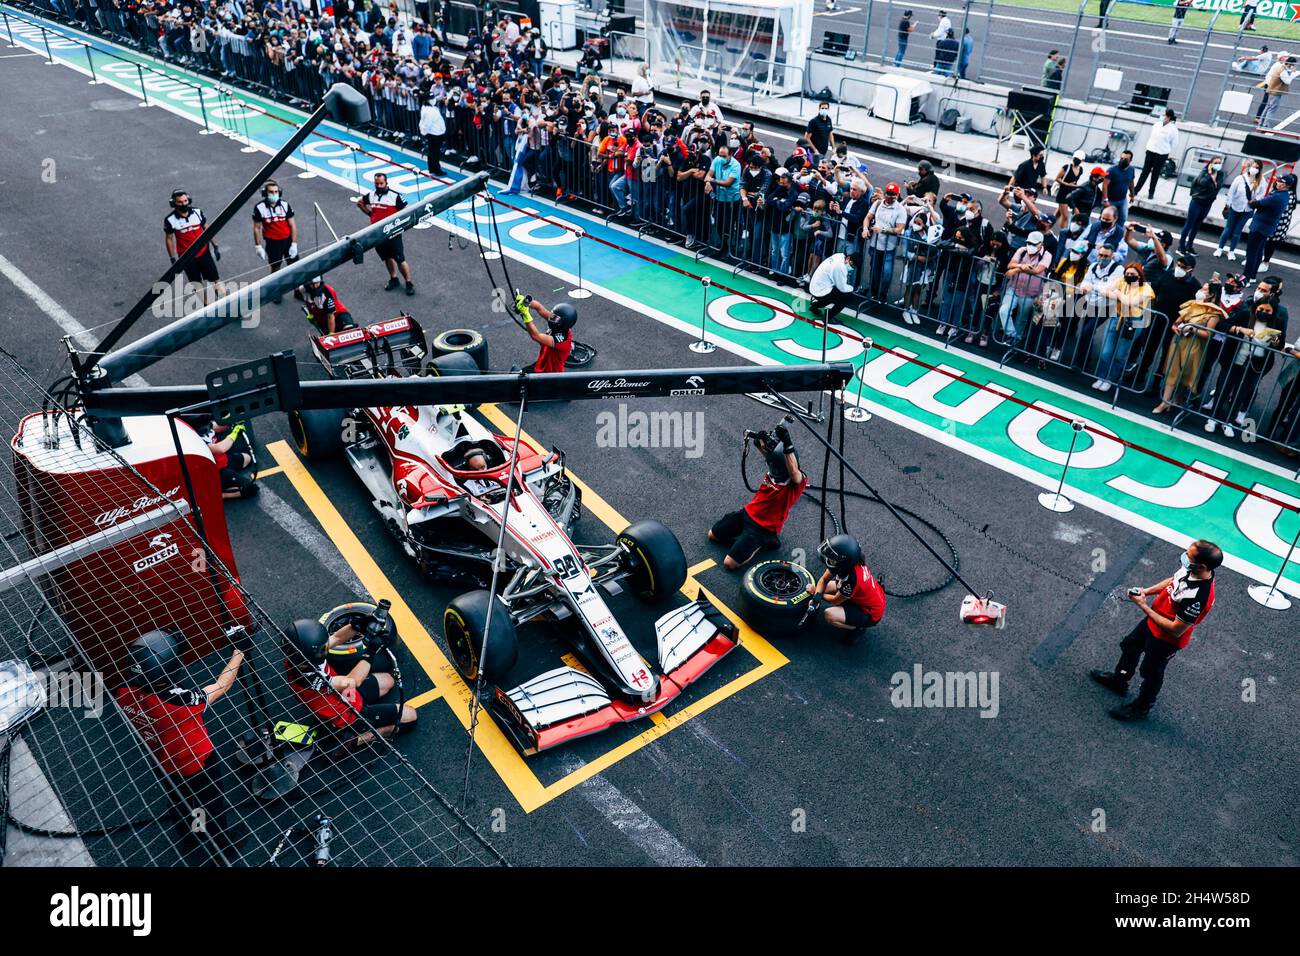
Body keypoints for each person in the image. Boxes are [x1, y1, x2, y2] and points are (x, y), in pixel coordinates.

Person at [116, 628, 251, 863]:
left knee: (179, 800)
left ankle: (189, 837)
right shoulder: (177, 703)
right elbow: (221, 686)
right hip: (196, 764)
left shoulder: (123, 692)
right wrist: (239, 652)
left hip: (162, 762)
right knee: (211, 804)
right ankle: (220, 846)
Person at [1090, 541, 1222, 721]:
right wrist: (1146, 591)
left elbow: (1176, 630)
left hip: (1166, 639)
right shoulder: (1190, 570)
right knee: (1130, 646)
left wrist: (1143, 606)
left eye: (1188, 555)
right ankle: (1119, 681)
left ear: (1202, 566)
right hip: (1153, 620)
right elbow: (1172, 581)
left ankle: (1142, 707)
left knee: (1151, 672)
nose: (1184, 556)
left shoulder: (1198, 597)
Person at [284, 607, 417, 747]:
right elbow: (353, 681)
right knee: (411, 716)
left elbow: (336, 638)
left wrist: (357, 625)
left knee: (388, 680)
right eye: (323, 647)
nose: (326, 646)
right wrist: (371, 650)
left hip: (343, 694)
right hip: (346, 715)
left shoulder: (299, 656)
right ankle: (358, 739)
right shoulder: (310, 678)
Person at [708, 422, 806, 571]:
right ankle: (745, 538)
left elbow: (793, 471)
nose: (772, 468)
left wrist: (787, 442)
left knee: (729, 564)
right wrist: (759, 444)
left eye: (777, 466)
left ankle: (763, 541)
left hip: (762, 528)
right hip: (747, 513)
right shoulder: (775, 469)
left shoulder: (796, 481)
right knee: (712, 535)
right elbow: (770, 458)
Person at [1154, 286, 1227, 414]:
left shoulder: (1214, 313)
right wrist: (1175, 327)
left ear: (1212, 295)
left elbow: (1208, 334)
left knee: (1186, 374)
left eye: (1204, 290)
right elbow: (1176, 322)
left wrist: (1191, 329)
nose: (1200, 292)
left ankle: (1177, 400)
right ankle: (1165, 402)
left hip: (1195, 345)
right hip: (1178, 342)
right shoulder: (1192, 305)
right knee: (1172, 370)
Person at [808, 533, 886, 643]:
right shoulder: (847, 563)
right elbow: (824, 580)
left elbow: (835, 600)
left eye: (833, 559)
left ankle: (857, 628)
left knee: (829, 615)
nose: (830, 560)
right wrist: (817, 594)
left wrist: (817, 595)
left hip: (870, 612)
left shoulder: (852, 580)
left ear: (844, 561)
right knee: (827, 586)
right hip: (864, 595)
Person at [1092, 260, 1154, 392]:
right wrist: (1119, 295)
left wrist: (1118, 294)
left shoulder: (1147, 289)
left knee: (1120, 354)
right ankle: (1101, 377)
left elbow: (1131, 302)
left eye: (1132, 273)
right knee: (1106, 351)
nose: (1128, 275)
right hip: (1116, 317)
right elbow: (1104, 290)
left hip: (1134, 322)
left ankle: (1111, 379)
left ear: (1139, 275)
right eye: (1127, 273)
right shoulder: (1121, 281)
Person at [357, 172, 415, 295]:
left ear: (386, 183)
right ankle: (394, 279)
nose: (379, 186)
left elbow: (407, 210)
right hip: (377, 234)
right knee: (387, 257)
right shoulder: (371, 195)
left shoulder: (395, 196)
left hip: (393, 233)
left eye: (381, 183)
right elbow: (360, 202)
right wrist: (370, 214)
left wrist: (399, 224)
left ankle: (409, 282)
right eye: (376, 183)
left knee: (400, 259)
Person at [163, 189, 223, 304]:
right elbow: (169, 239)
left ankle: (225, 303)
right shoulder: (170, 220)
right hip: (186, 257)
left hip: (203, 252)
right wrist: (172, 258)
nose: (184, 204)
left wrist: (215, 245)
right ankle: (208, 308)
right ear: (174, 203)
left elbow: (207, 229)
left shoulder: (197, 212)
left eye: (185, 201)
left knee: (215, 280)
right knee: (197, 284)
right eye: (180, 202)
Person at [251, 180, 297, 300]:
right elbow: (257, 228)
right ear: (265, 193)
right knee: (276, 269)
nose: (274, 194)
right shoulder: (259, 208)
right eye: (271, 192)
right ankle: (276, 291)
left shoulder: (285, 205)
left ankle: (298, 290)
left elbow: (292, 225)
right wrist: (258, 246)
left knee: (295, 266)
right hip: (272, 243)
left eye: (276, 192)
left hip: (287, 241)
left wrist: (294, 243)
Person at [1243, 173, 1294, 281]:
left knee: (1251, 253)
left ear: (1286, 185)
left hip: (1260, 227)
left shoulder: (1277, 197)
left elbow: (1256, 204)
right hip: (1266, 227)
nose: (1277, 182)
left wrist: (1251, 201)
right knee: (1258, 252)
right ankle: (1252, 276)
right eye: (1278, 180)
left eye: (1280, 182)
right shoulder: (1284, 195)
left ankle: (1246, 278)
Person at [864, 183, 909, 302]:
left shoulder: (900, 210)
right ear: (885, 193)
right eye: (888, 194)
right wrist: (865, 229)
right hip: (874, 244)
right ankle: (873, 292)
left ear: (898, 195)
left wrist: (883, 230)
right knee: (874, 270)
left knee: (887, 273)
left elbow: (899, 229)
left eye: (893, 195)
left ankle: (883, 294)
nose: (890, 197)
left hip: (889, 247)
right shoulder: (878, 203)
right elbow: (868, 217)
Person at [514, 293, 577, 372]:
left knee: (517, 379)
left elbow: (536, 336)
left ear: (562, 322)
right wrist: (526, 302)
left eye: (554, 317)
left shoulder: (562, 340)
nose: (551, 317)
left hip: (549, 375)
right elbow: (539, 308)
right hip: (542, 363)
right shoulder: (559, 323)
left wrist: (526, 314)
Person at [1214, 160, 1261, 261]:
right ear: (1249, 167)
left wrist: (1255, 201)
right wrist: (1228, 205)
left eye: (1257, 168)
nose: (1255, 169)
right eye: (1253, 167)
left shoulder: (1261, 181)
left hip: (1247, 210)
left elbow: (1261, 195)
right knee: (1228, 229)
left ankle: (1231, 251)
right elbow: (1231, 192)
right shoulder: (1240, 178)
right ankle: (1220, 248)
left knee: (1237, 232)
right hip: (1235, 207)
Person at [1179, 157, 1224, 254]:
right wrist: (1209, 174)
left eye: (1220, 163)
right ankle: (1181, 246)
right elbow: (1202, 182)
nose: (1218, 164)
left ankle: (1189, 246)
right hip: (1197, 202)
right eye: (1215, 163)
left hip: (1207, 203)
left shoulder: (1220, 174)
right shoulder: (1204, 172)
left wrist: (1213, 181)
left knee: (1197, 226)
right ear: (1210, 163)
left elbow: (1218, 187)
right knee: (1189, 224)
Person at [1133, 109, 1179, 202]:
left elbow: (1174, 143)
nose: (1162, 116)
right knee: (1145, 171)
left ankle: (1151, 193)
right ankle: (1136, 190)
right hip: (1151, 150)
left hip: (1162, 153)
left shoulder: (1173, 129)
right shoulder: (1157, 124)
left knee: (1155, 173)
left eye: (1164, 115)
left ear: (1168, 117)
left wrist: (1164, 147)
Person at [808, 249, 861, 321]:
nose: (851, 267)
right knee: (848, 297)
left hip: (814, 286)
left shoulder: (839, 256)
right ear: (848, 258)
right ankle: (828, 318)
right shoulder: (841, 267)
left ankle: (815, 306)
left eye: (853, 266)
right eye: (852, 264)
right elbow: (842, 288)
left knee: (834, 292)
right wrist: (854, 289)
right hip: (820, 290)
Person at [1258, 55, 1298, 129]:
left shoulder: (1281, 67)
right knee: (1272, 108)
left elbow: (1287, 73)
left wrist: (1291, 71)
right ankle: (1265, 125)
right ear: (1290, 64)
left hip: (1272, 90)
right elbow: (1287, 81)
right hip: (1275, 92)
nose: (1293, 67)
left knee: (1268, 107)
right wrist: (1293, 73)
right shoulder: (1283, 70)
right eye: (1293, 65)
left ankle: (1261, 123)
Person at [418, 90, 446, 176]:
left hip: (435, 132)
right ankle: (436, 169)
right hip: (434, 134)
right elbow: (427, 123)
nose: (433, 99)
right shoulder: (429, 111)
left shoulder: (430, 108)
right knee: (435, 152)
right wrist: (424, 132)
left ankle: (432, 168)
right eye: (431, 98)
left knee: (432, 151)